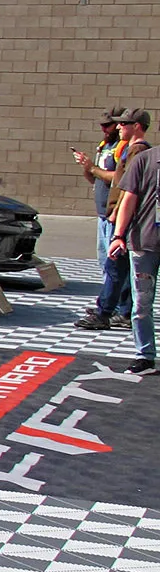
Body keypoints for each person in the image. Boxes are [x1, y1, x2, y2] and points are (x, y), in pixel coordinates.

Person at [106, 106, 159, 372]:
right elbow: (128, 199)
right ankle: (145, 355)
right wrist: (118, 236)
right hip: (144, 242)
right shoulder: (146, 160)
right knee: (141, 303)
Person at [78, 109, 138, 330]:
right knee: (108, 265)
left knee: (116, 267)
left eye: (109, 125)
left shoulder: (128, 149)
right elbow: (95, 179)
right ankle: (111, 306)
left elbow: (122, 182)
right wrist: (88, 167)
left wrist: (94, 168)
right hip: (104, 213)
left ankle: (119, 310)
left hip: (114, 215)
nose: (106, 129)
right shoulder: (105, 146)